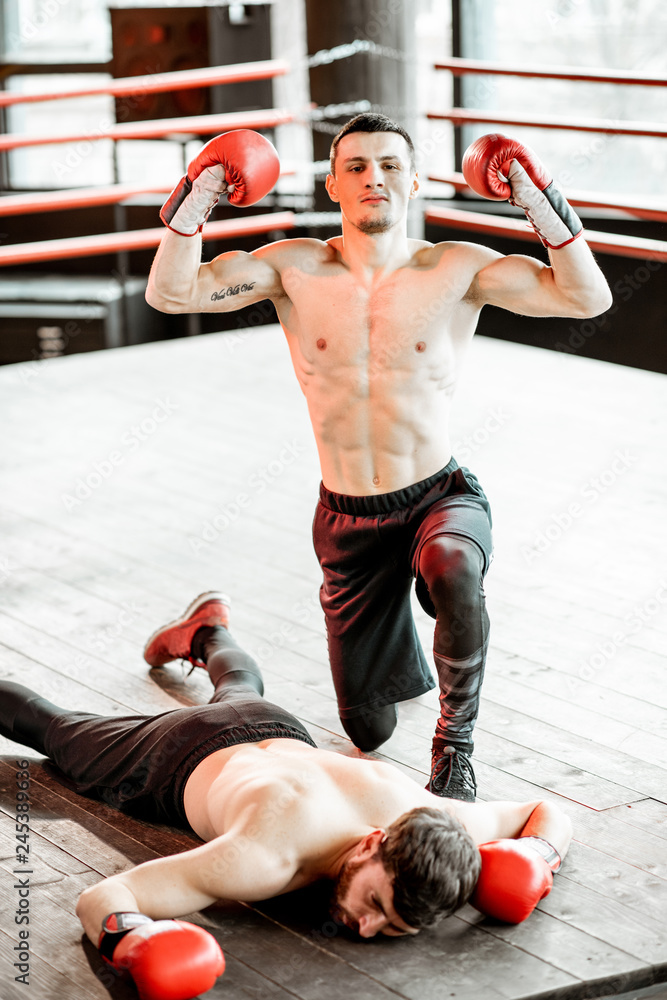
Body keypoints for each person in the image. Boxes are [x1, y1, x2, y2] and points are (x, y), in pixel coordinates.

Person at [145, 115, 612, 802]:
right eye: (357, 166)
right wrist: (201, 188)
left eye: (391, 165)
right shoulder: (293, 266)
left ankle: (455, 751)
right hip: (347, 524)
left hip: (436, 496)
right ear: (333, 183)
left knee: (452, 565)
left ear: (415, 181)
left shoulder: (454, 267)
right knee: (366, 731)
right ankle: (210, 635)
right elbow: (171, 292)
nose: (374, 178)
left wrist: (540, 198)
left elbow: (586, 295)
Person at [1, 594, 572, 1000]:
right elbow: (107, 894)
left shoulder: (438, 821)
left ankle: (208, 632)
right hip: (175, 754)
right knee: (55, 731)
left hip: (274, 725)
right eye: (376, 905)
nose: (367, 929)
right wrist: (133, 938)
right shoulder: (263, 858)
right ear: (375, 843)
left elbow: (546, 811)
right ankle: (204, 637)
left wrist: (534, 856)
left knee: (239, 690)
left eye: (392, 928)